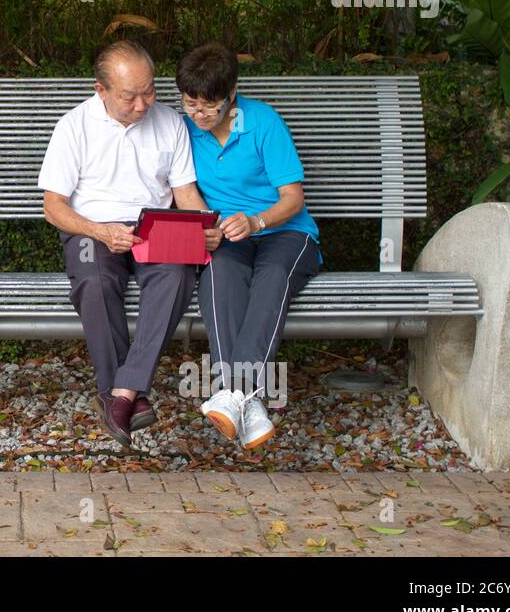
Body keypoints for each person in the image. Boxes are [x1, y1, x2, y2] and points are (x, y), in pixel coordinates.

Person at [39, 40, 222, 448]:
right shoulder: (73, 126)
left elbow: (186, 193)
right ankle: (127, 394)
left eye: (150, 91)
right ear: (100, 91)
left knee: (177, 274)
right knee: (94, 280)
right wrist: (100, 230)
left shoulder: (171, 123)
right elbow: (54, 207)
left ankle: (120, 393)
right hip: (91, 229)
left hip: (154, 228)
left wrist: (204, 226)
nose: (143, 105)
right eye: (130, 96)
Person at [176, 42, 321, 450]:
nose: (199, 115)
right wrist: (209, 225)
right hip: (227, 237)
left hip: (284, 233)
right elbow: (180, 189)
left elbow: (293, 198)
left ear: (232, 95)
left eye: (209, 106)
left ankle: (232, 392)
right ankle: (249, 402)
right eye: (190, 104)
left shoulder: (262, 123)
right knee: (219, 273)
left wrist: (256, 221)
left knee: (272, 276)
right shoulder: (182, 129)